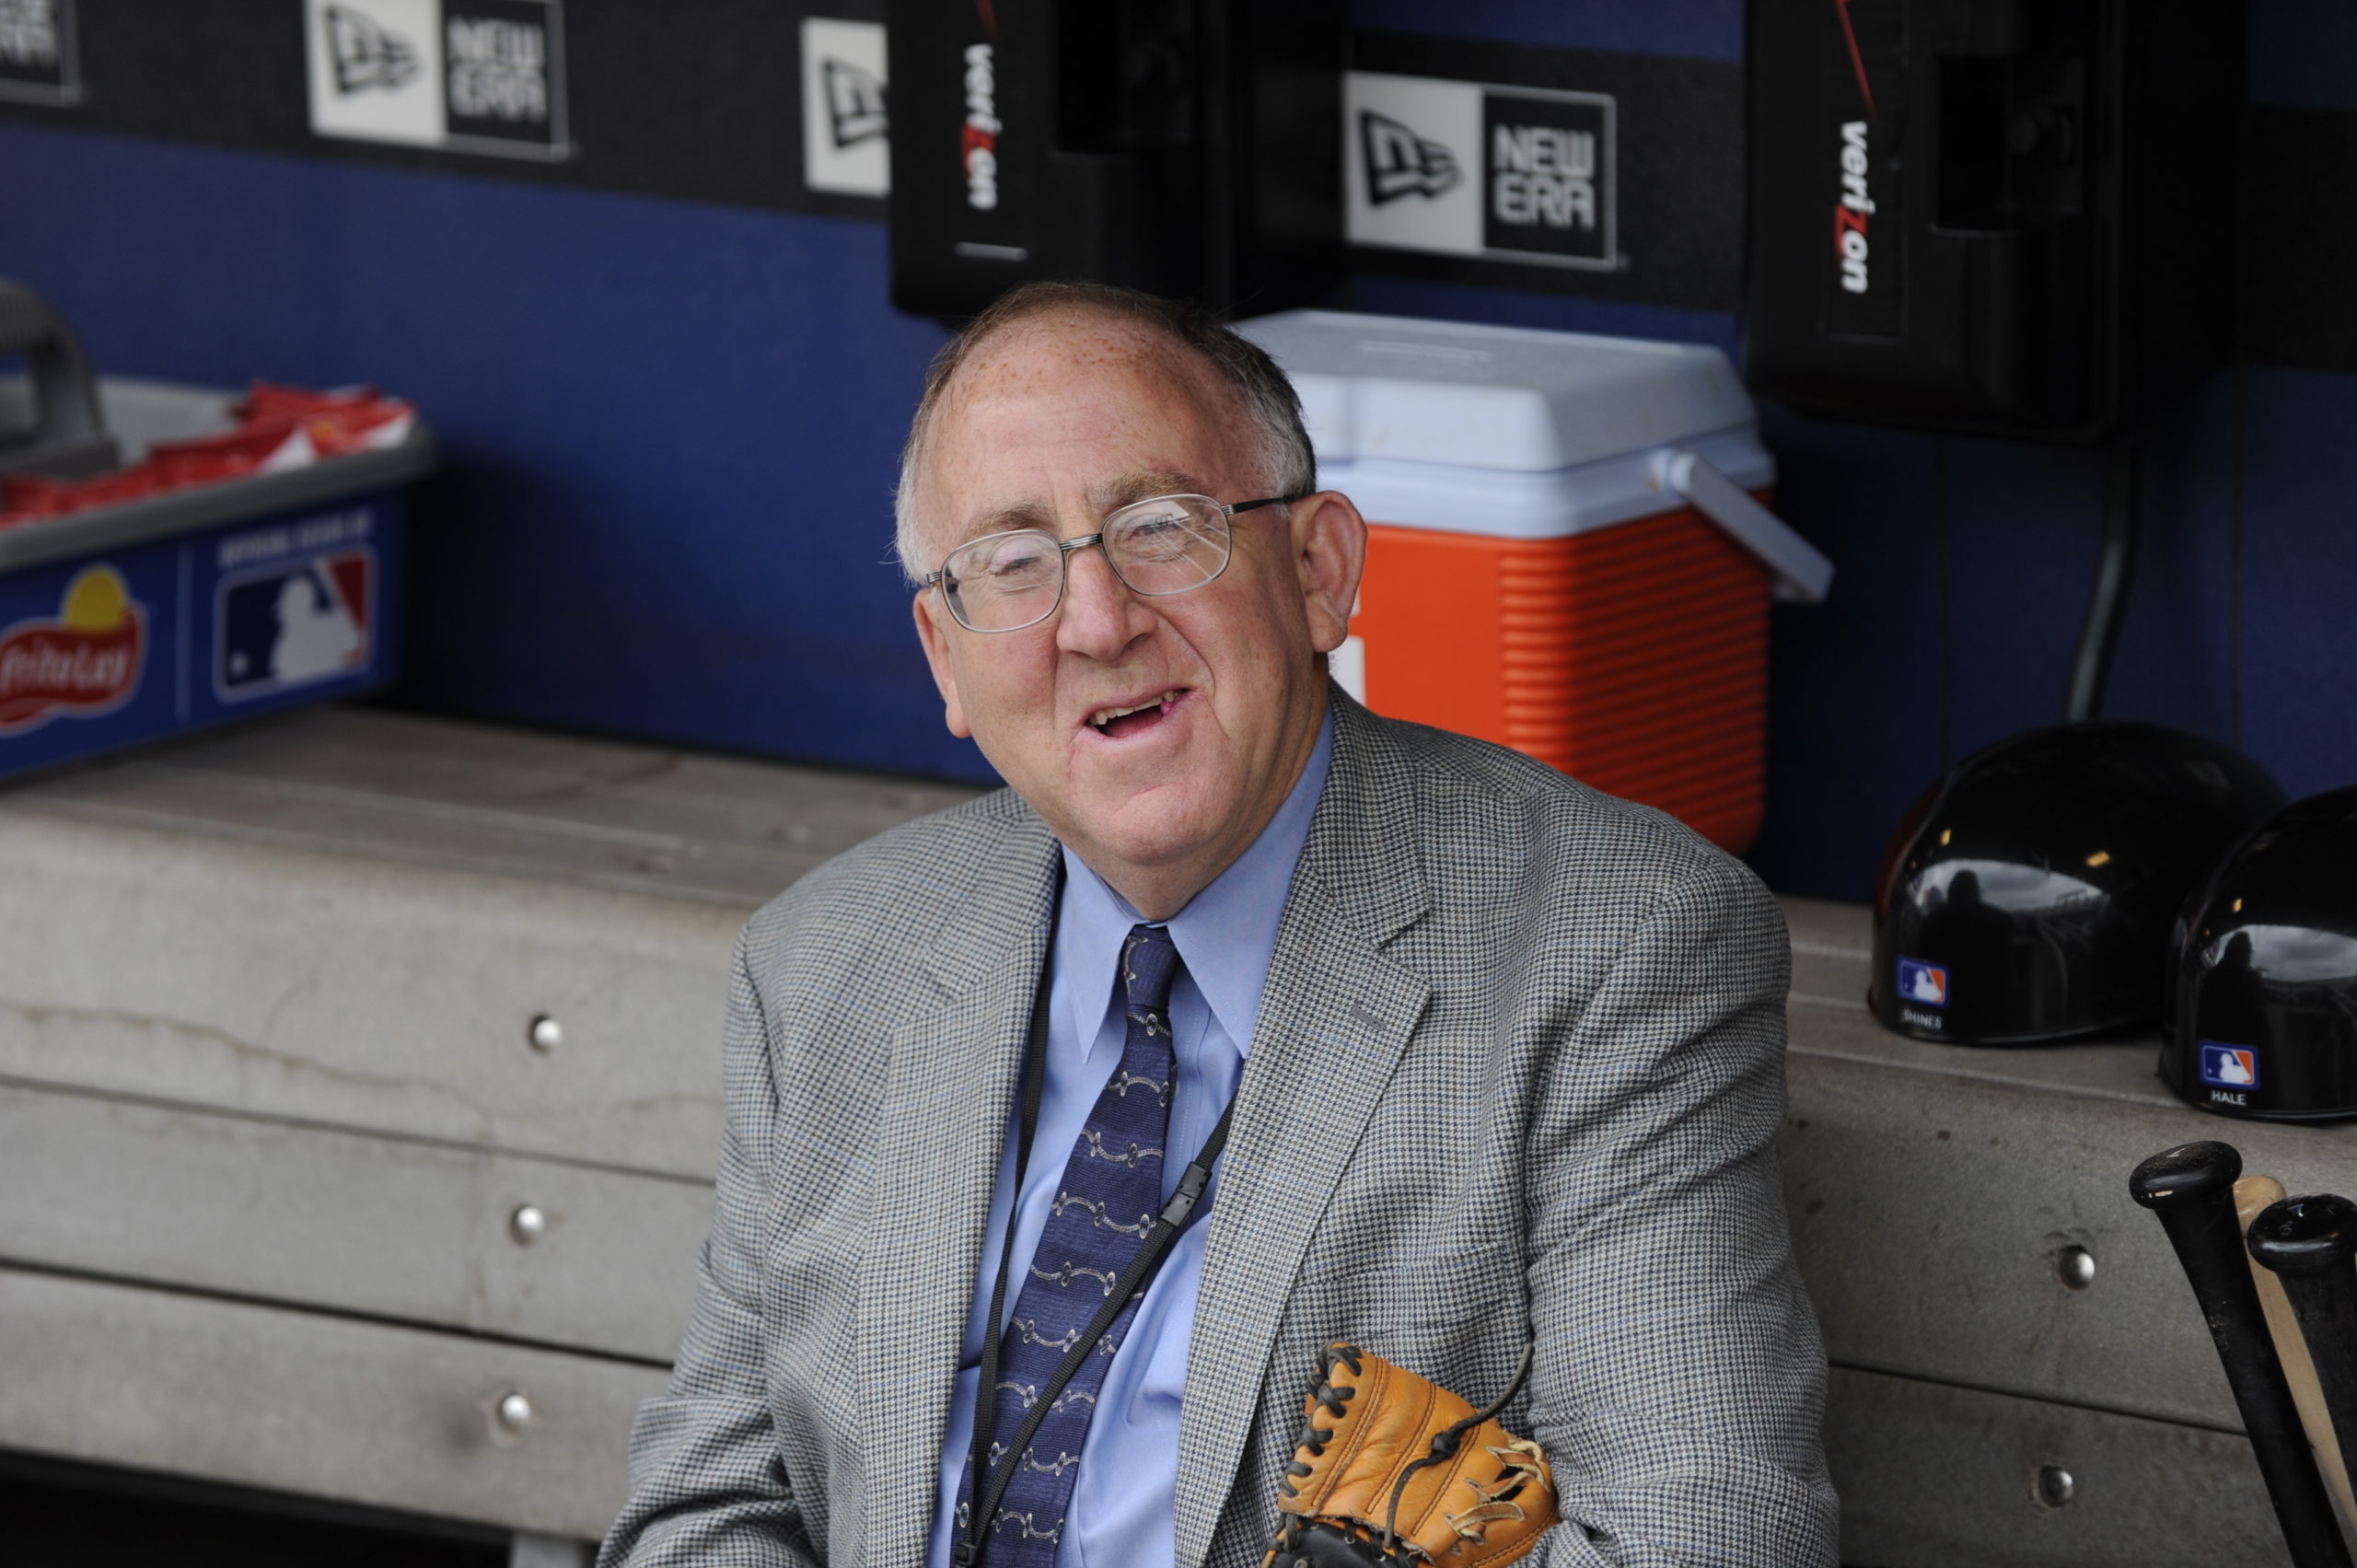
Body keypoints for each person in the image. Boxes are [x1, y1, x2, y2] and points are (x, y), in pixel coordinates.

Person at [599, 282, 1838, 1568]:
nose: (1097, 623)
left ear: (1318, 572)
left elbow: (1710, 1544)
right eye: (1013, 564)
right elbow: (709, 1511)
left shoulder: (1613, 948)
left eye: (1160, 526)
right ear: (944, 656)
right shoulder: (830, 962)